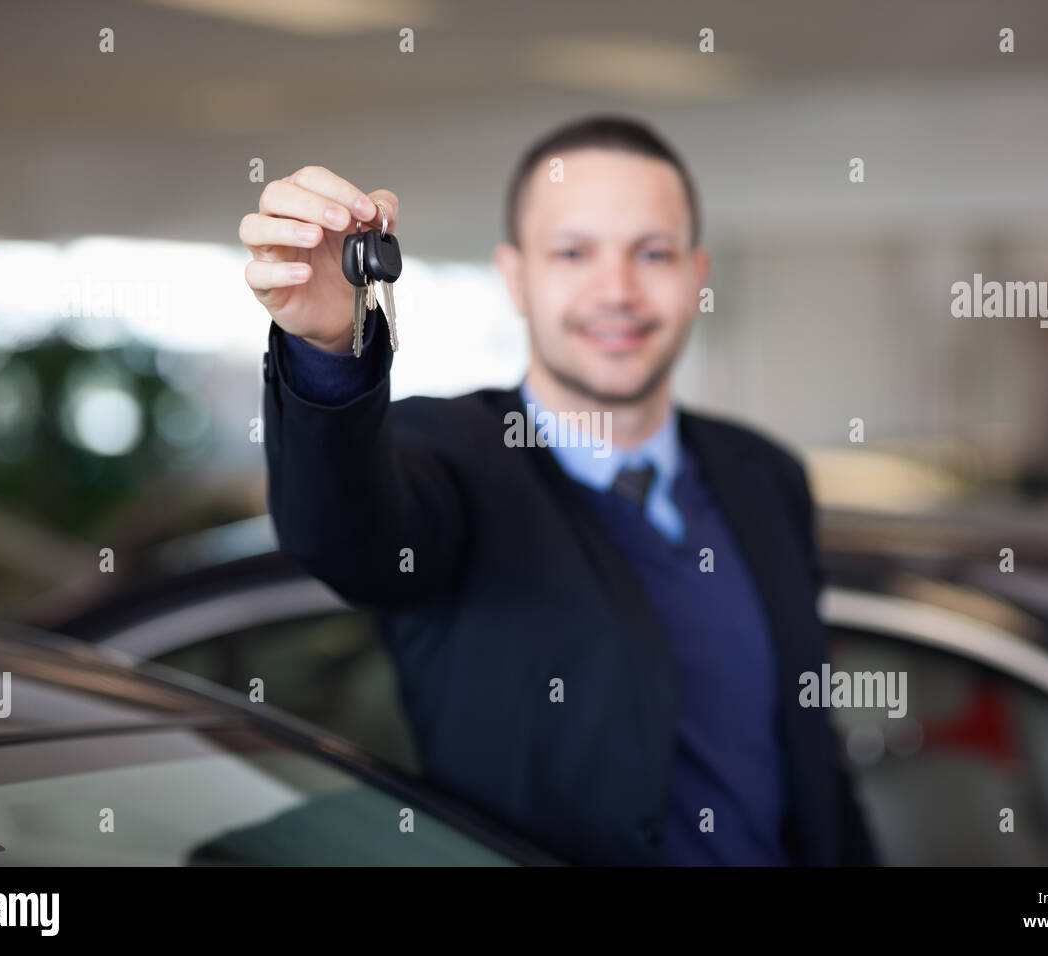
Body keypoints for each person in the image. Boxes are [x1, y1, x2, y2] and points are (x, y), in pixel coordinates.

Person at [241, 114, 877, 866]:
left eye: (653, 253)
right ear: (516, 277)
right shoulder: (450, 460)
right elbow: (342, 536)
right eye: (573, 252)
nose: (617, 290)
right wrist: (326, 349)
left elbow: (811, 758)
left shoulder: (765, 474)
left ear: (696, 275)